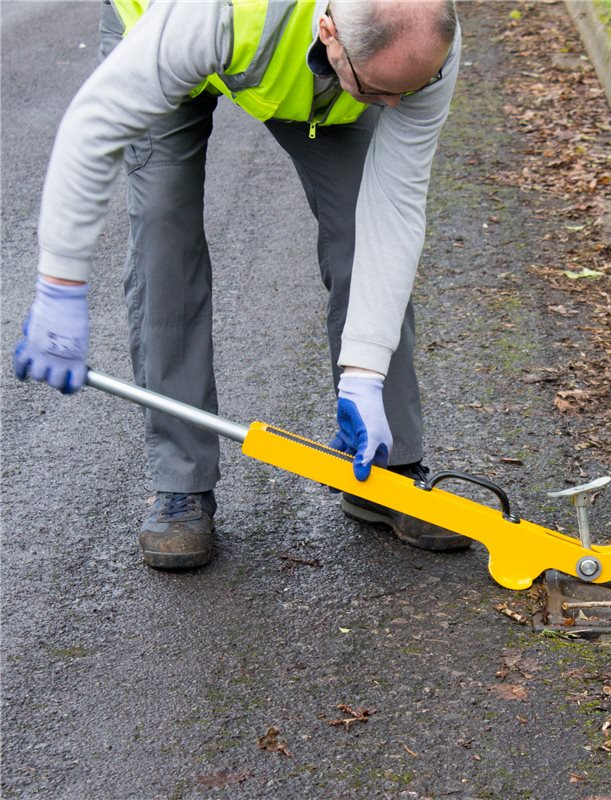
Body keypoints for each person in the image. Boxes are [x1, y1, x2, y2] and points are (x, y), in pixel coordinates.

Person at [13, 0, 472, 569]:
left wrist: (364, 372)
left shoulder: (428, 43)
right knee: (164, 231)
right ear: (329, 32)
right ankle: (182, 486)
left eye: (410, 86)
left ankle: (385, 466)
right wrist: (59, 284)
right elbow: (93, 126)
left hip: (308, 60)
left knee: (362, 222)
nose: (396, 105)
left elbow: (396, 207)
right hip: (165, 24)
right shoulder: (220, 14)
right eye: (378, 90)